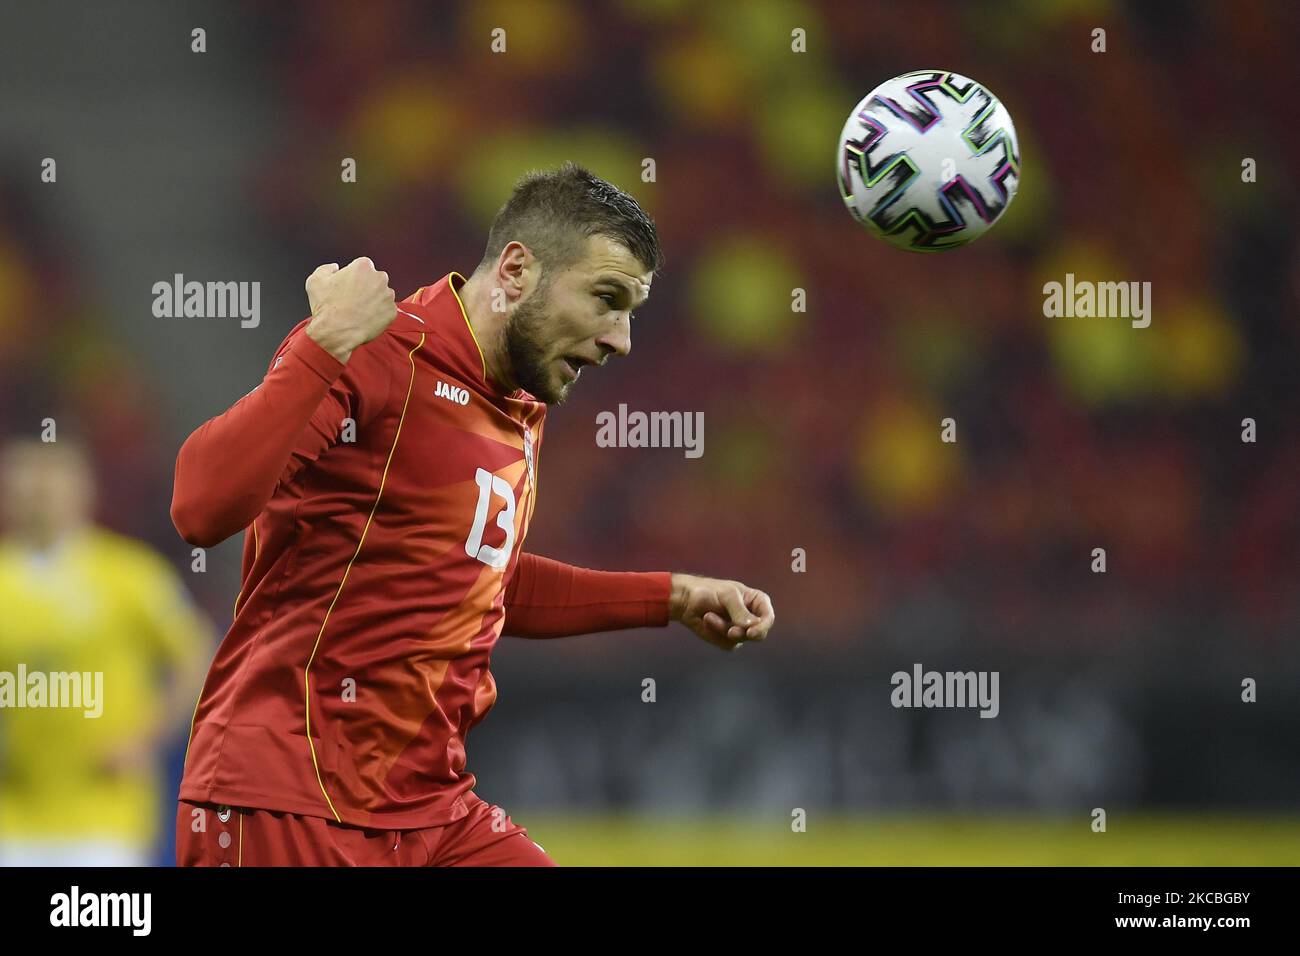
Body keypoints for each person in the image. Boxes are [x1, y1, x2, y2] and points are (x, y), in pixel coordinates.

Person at [170, 162, 775, 867]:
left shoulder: (519, 403)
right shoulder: (378, 350)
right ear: (516, 271)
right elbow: (200, 506)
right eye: (606, 299)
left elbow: (479, 580)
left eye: (631, 312)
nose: (621, 340)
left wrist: (670, 596)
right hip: (288, 800)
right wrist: (325, 339)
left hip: (433, 811)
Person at [0, 436, 211, 866]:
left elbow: (197, 656)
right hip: (12, 813)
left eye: (53, 476)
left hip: (106, 815)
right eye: (26, 477)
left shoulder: (129, 573)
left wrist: (146, 738)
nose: (39, 490)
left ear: (84, 488)